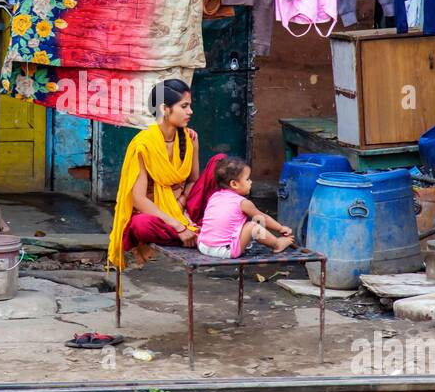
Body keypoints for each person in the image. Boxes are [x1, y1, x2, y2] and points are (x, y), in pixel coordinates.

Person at [106, 79, 226, 270]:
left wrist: (182, 203)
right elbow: (138, 199)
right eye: (184, 106)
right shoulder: (143, 145)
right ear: (165, 109)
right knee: (140, 225)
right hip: (161, 216)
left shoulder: (190, 138)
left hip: (185, 206)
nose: (190, 112)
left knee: (220, 162)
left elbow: (194, 180)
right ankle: (201, 234)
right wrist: (178, 226)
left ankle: (199, 233)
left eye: (190, 106)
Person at [197, 156, 295, 258]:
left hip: (203, 245)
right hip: (224, 251)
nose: (251, 182)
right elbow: (262, 218)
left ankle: (264, 241)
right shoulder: (242, 203)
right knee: (253, 226)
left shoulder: (214, 196)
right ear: (234, 184)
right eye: (247, 179)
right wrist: (280, 228)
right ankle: (276, 244)